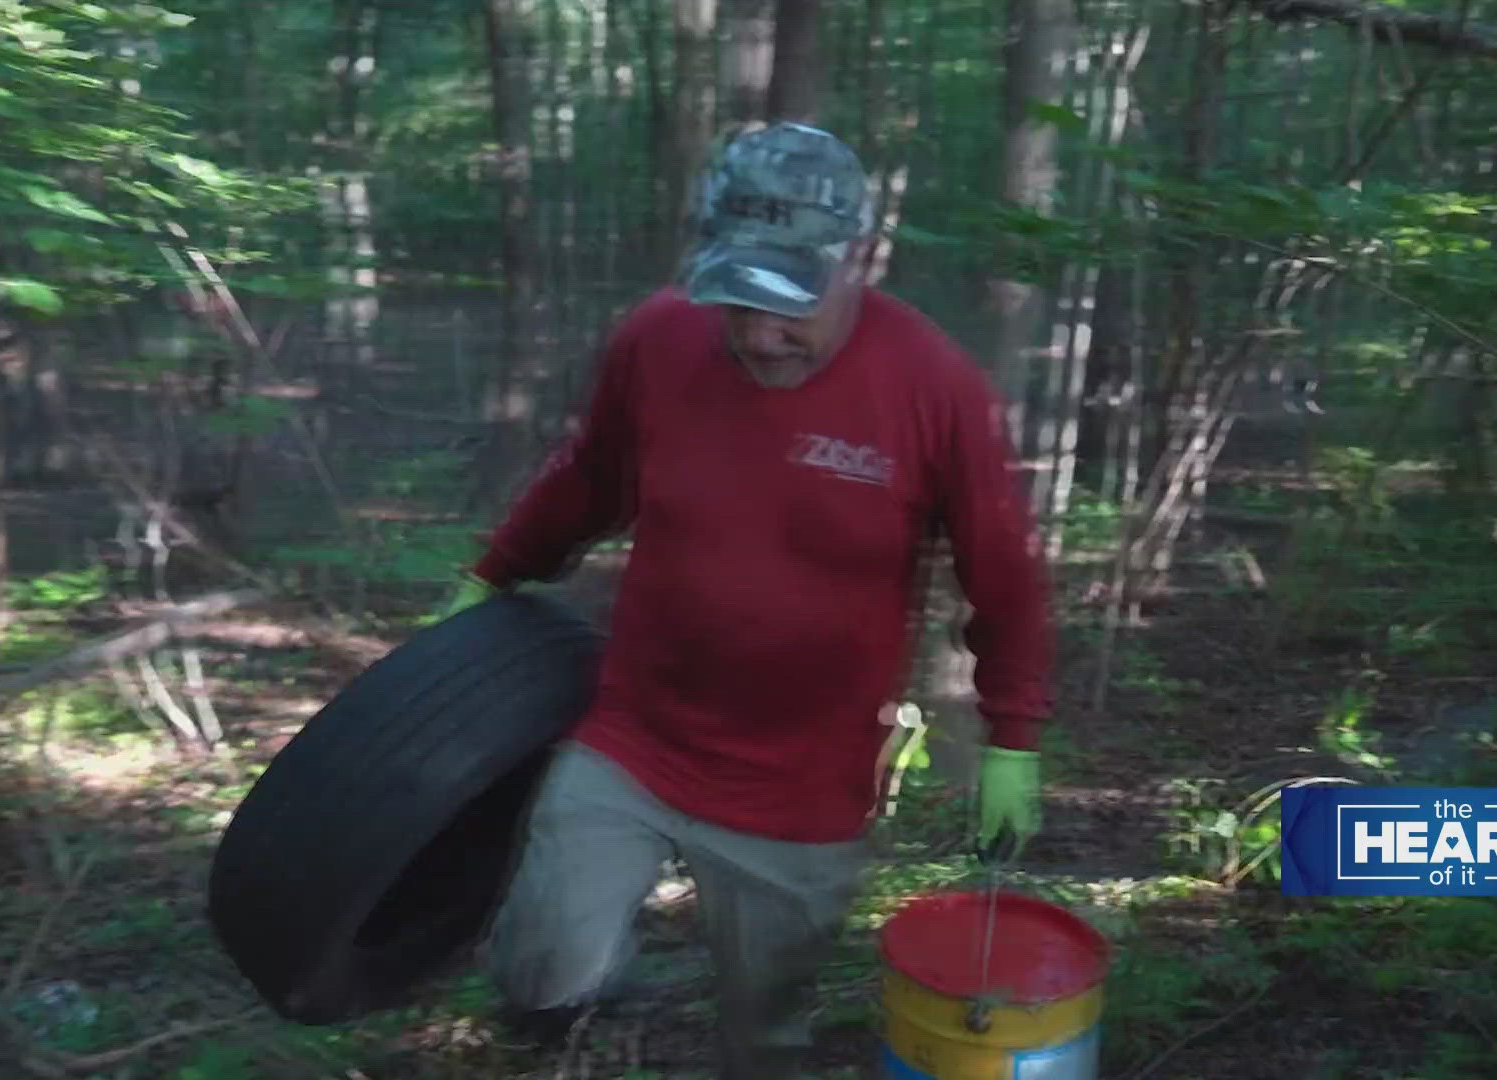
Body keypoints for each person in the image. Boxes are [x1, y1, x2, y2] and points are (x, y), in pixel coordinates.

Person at [438, 121, 1055, 1078]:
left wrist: (1012, 739)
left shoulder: (935, 388)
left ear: (861, 259)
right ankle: (566, 1016)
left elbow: (1004, 573)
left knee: (764, 1037)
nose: (761, 335)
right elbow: (592, 477)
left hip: (802, 789)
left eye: (791, 303)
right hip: (636, 739)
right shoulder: (657, 341)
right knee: (541, 961)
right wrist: (495, 573)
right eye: (739, 299)